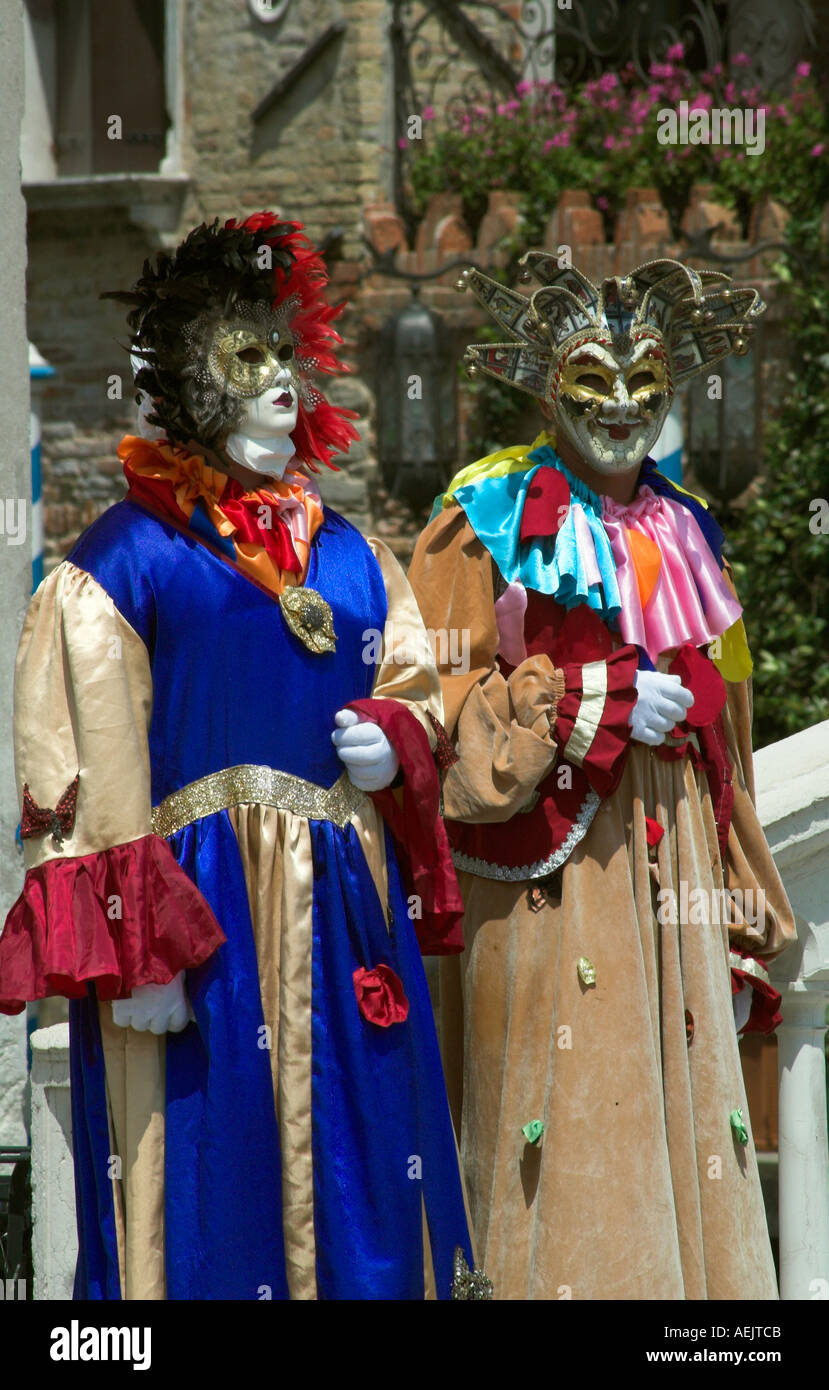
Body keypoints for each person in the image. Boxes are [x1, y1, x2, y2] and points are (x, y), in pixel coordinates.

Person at [0, 213, 480, 1301]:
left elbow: (415, 690)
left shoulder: (354, 557)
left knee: (365, 1169)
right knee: (209, 1175)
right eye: (242, 356)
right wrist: (137, 954)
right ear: (187, 380)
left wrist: (390, 741)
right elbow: (87, 750)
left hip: (344, 917)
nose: (277, 381)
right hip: (200, 922)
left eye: (283, 356)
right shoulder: (124, 559)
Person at [407, 254, 795, 1300]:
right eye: (594, 381)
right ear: (545, 381)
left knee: (679, 1136)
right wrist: (586, 701)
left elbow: (734, 733)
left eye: (644, 382)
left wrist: (740, 884)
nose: (622, 406)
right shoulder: (479, 515)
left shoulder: (688, 525)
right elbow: (436, 728)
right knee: (573, 1133)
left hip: (674, 877)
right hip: (549, 881)